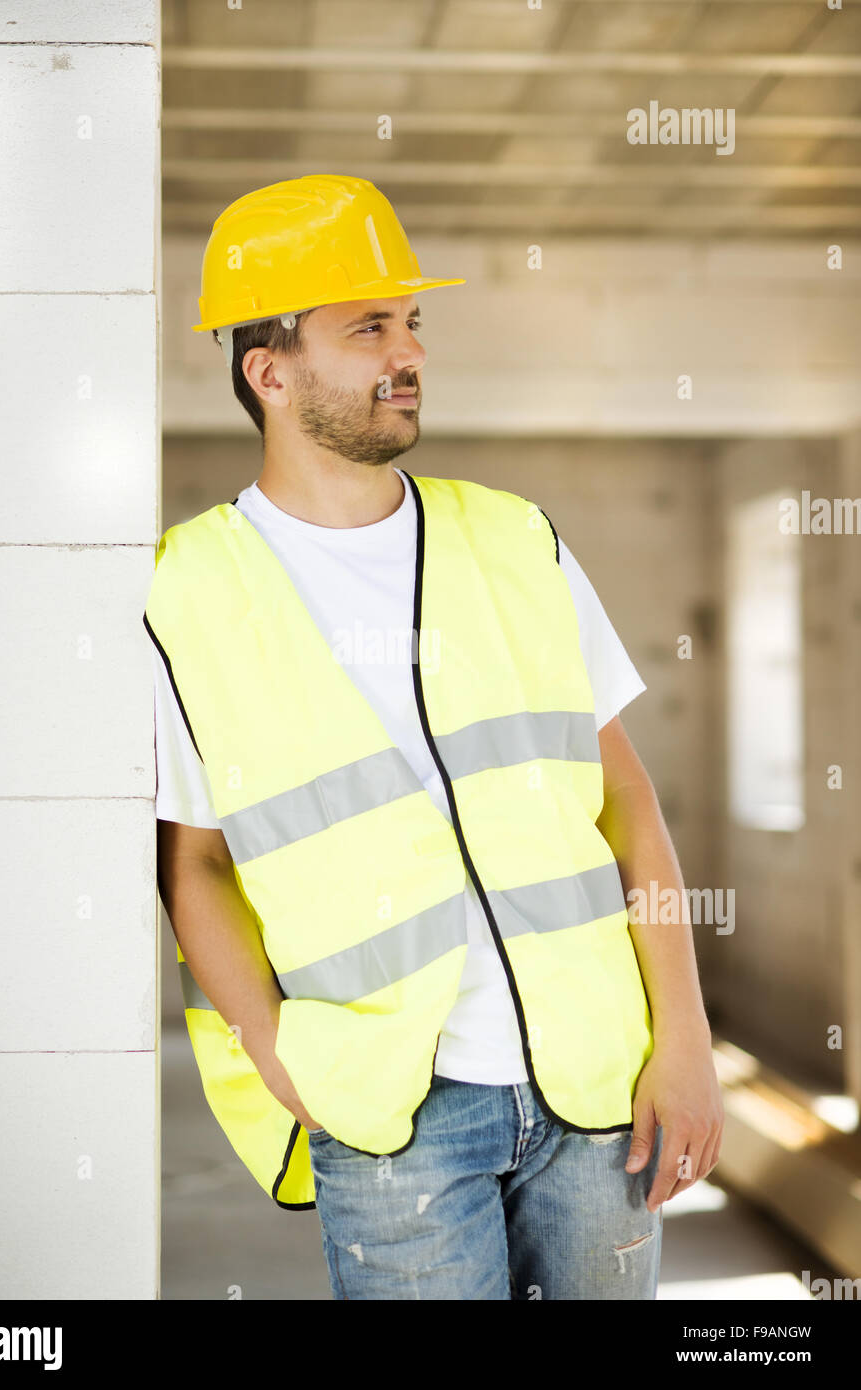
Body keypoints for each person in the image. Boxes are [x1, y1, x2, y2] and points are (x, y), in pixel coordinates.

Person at [145, 174, 723, 1300]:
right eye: (366, 327)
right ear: (268, 371)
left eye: (410, 323)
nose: (404, 351)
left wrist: (684, 1036)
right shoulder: (188, 593)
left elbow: (627, 804)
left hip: (592, 1094)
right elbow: (194, 865)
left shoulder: (516, 540)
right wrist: (284, 1057)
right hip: (391, 1109)